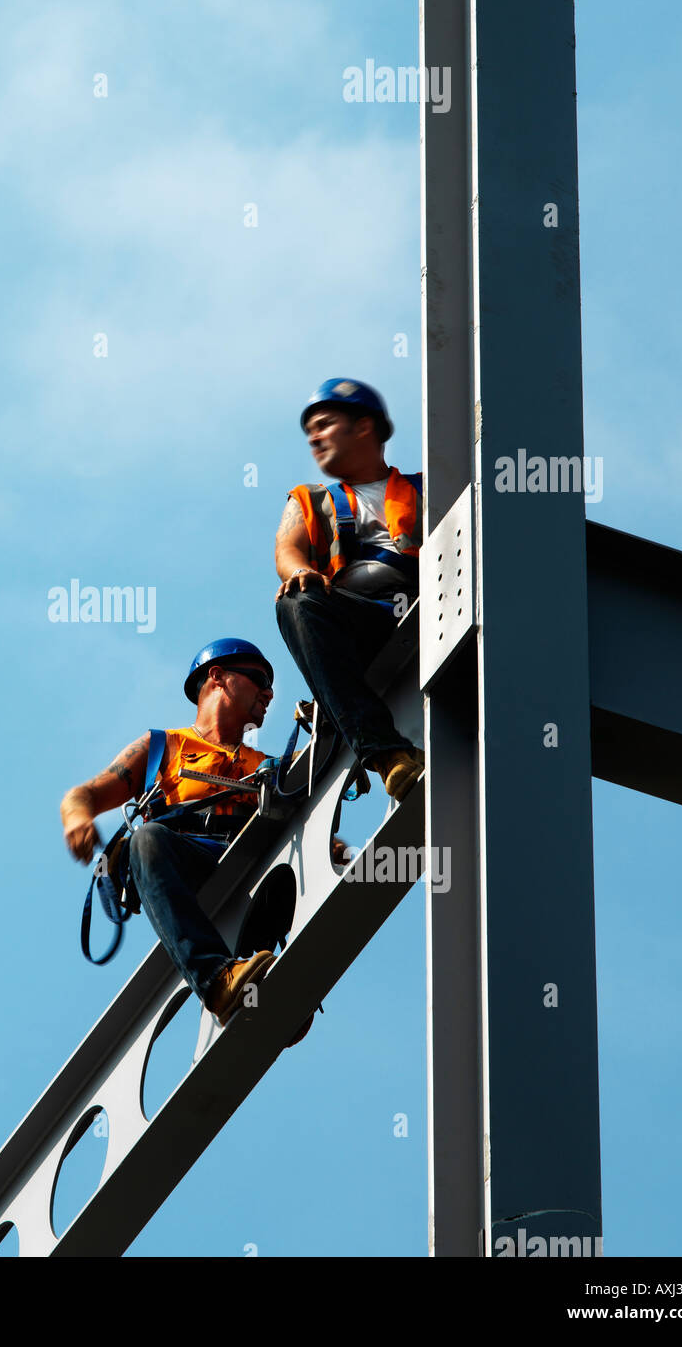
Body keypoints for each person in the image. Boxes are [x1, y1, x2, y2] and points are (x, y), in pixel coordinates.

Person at [60, 639, 282, 1025]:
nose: (269, 693)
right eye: (258, 679)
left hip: (250, 865)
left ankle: (280, 994)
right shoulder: (165, 747)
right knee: (146, 840)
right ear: (219, 678)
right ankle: (218, 982)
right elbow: (84, 794)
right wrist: (78, 818)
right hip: (189, 862)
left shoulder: (267, 764)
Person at [273, 378, 425, 802]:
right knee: (296, 602)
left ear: (363, 427)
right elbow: (288, 549)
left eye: (324, 424)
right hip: (365, 621)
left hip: (432, 605)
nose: (314, 438)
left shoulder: (425, 486)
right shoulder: (312, 499)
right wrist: (301, 572)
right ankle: (387, 754)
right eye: (309, 433)